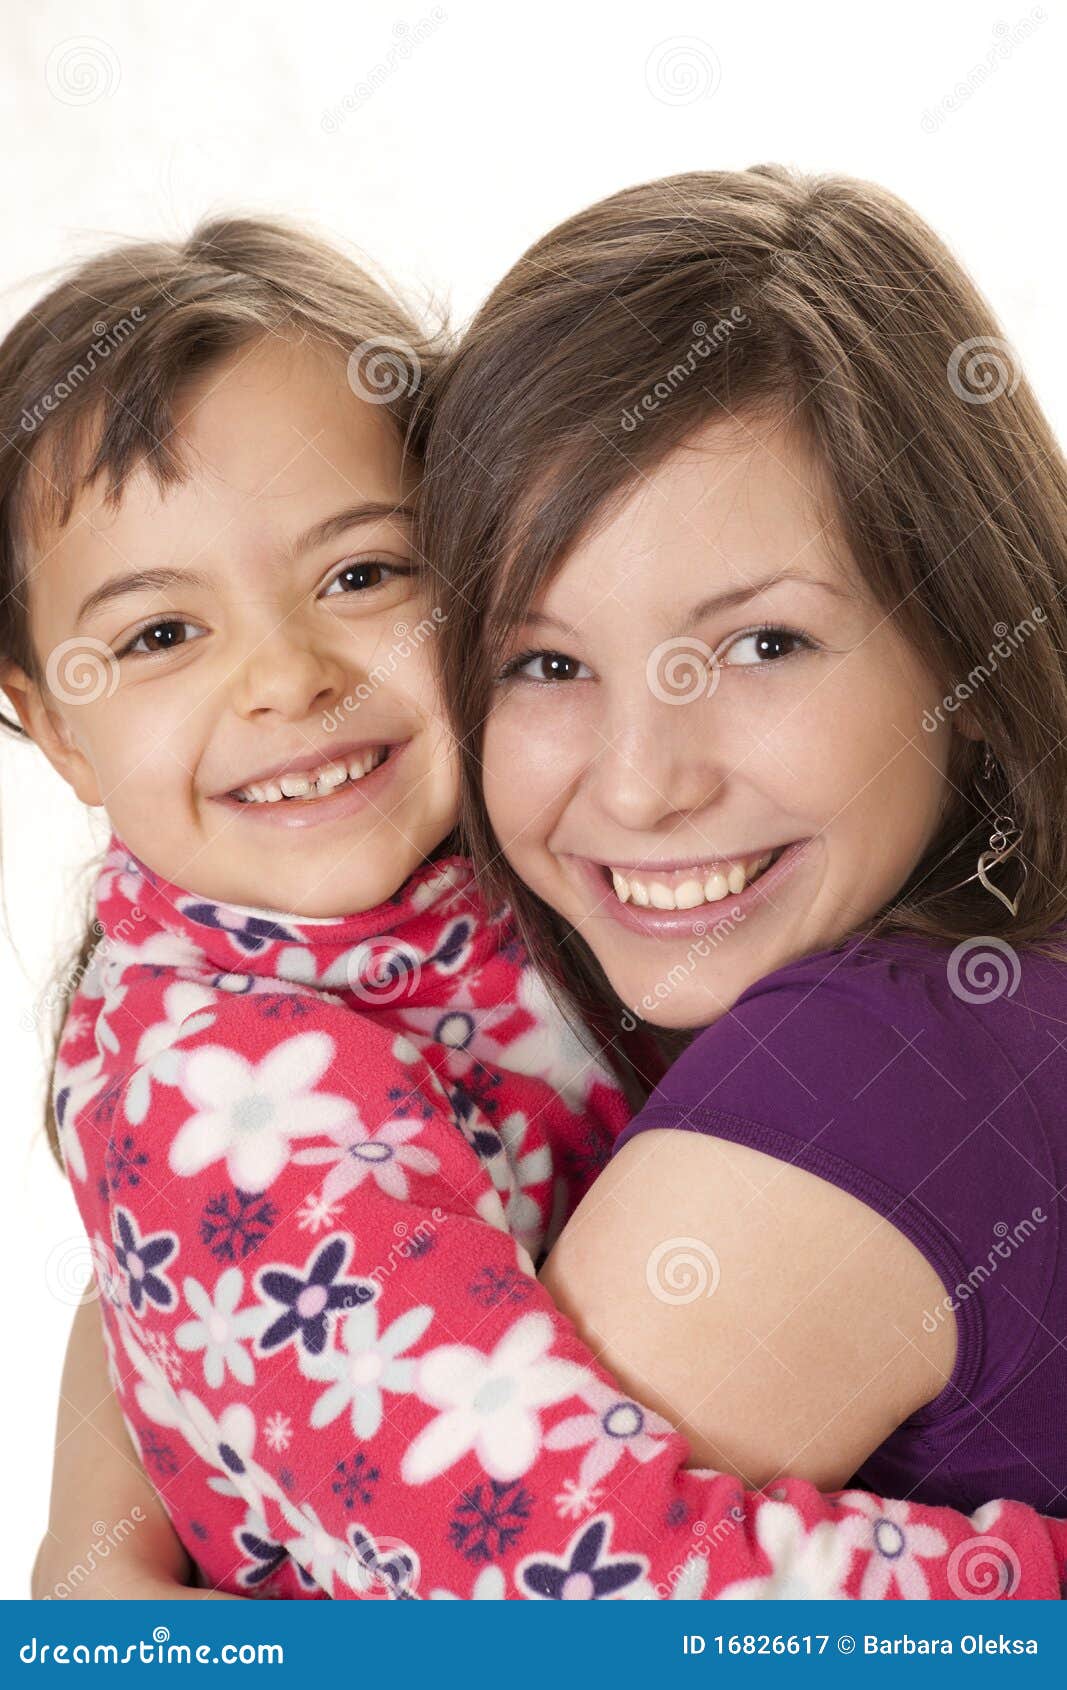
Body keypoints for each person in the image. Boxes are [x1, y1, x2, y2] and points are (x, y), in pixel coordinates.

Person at [13, 206, 1065, 1603]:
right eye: (157, 633)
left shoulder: (504, 923)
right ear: (53, 731)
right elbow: (553, 1584)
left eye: (363, 573)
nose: (284, 677)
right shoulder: (230, 1080)